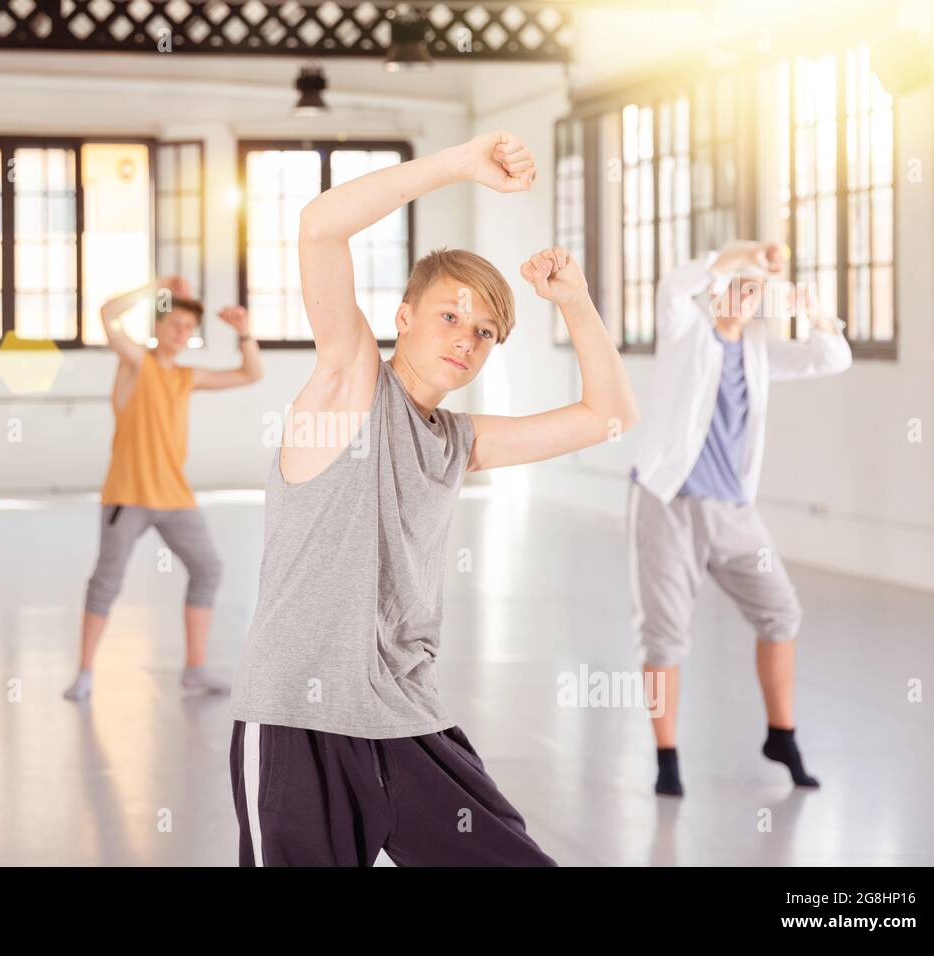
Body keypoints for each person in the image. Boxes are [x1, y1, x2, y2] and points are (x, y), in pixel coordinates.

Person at [227, 131, 640, 866]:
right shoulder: (348, 386)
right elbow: (320, 225)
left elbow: (608, 415)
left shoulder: (456, 441)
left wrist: (575, 301)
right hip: (299, 722)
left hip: (409, 725)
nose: (467, 340)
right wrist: (458, 165)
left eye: (485, 332)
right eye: (450, 316)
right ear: (404, 318)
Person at [627, 240, 853, 797]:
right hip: (667, 504)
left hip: (733, 512)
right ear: (717, 290)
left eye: (753, 292)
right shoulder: (685, 332)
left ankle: (782, 734)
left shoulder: (758, 350)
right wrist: (742, 253)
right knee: (665, 638)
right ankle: (667, 757)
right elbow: (672, 284)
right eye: (735, 287)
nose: (743, 299)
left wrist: (808, 305)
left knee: (781, 612)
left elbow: (833, 356)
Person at [63, 277, 263, 701]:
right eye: (174, 323)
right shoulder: (136, 363)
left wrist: (243, 331)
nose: (181, 332)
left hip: (175, 497)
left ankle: (195, 669)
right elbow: (107, 315)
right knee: (106, 581)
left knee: (208, 568)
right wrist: (155, 288)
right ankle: (84, 672)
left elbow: (251, 373)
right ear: (158, 326)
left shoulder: (188, 377)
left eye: (189, 327)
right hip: (128, 496)